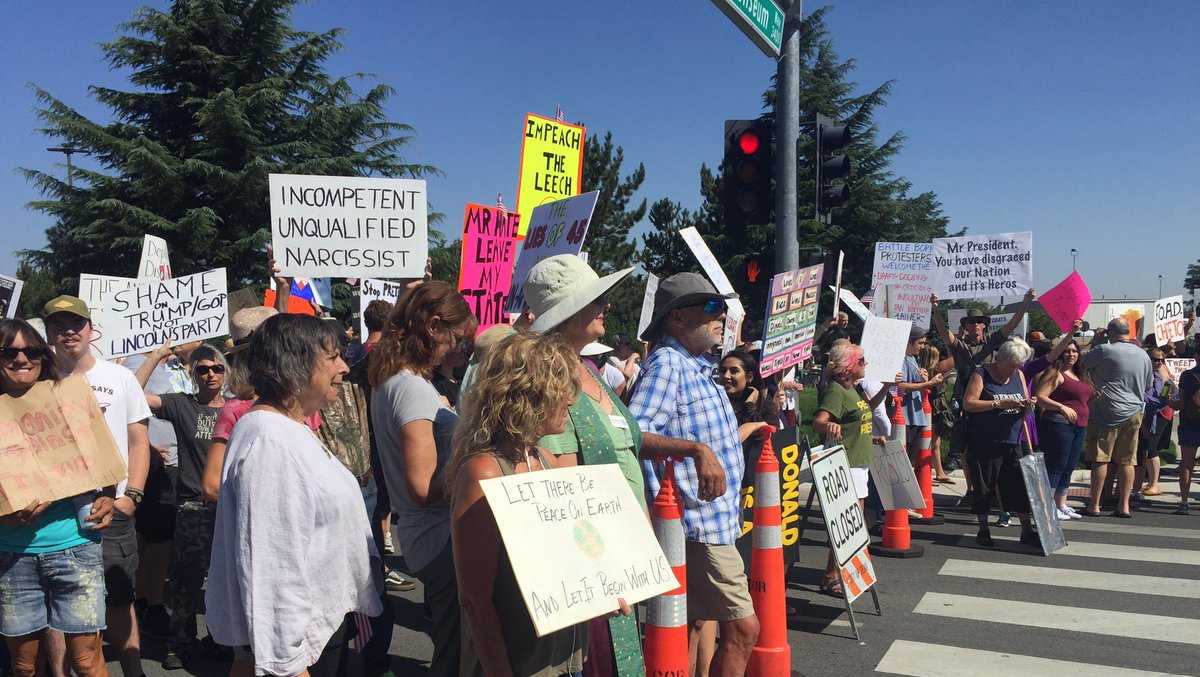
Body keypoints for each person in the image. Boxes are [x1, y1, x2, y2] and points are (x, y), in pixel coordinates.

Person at [206, 313, 380, 676]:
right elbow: (271, 566)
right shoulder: (269, 441)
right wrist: (287, 664)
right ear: (295, 365)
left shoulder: (288, 429)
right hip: (300, 653)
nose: (344, 367)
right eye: (332, 357)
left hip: (319, 633)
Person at [449, 332, 629, 676]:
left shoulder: (543, 458)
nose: (571, 402)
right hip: (518, 663)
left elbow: (562, 565)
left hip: (563, 658)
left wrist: (596, 598)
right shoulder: (484, 472)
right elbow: (475, 599)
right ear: (530, 396)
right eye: (561, 391)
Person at [520, 254, 644, 675]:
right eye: (596, 300)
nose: (605, 306)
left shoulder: (587, 367)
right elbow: (554, 481)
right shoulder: (548, 374)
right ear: (569, 312)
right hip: (590, 565)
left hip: (618, 555)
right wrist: (596, 572)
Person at [630, 272, 758, 676]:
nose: (720, 316)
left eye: (721, 308)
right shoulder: (668, 364)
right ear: (677, 318)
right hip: (695, 525)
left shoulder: (696, 364)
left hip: (708, 523)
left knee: (690, 622)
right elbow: (633, 432)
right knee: (743, 629)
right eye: (709, 308)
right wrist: (695, 450)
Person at [369, 281, 477, 677]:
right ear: (433, 327)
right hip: (437, 539)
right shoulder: (412, 389)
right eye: (457, 337)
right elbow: (421, 486)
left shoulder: (397, 381)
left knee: (454, 646)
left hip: (424, 538)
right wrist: (481, 471)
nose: (460, 348)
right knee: (457, 653)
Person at [0, 319, 116, 677]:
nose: (22, 359)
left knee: (87, 660)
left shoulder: (69, 396)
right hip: (12, 556)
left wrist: (108, 498)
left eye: (31, 350)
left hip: (75, 546)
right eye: (9, 351)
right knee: (24, 665)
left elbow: (101, 458)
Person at [43, 296, 151, 677]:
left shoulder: (120, 378)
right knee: (59, 603)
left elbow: (138, 439)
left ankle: (133, 670)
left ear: (91, 329)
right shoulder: (38, 380)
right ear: (48, 332)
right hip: (53, 513)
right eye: (59, 325)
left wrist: (131, 496)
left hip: (111, 509)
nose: (68, 331)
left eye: (76, 323)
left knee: (119, 599)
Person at [133, 344, 227, 669]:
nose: (210, 374)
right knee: (186, 581)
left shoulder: (239, 408)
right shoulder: (181, 405)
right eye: (202, 369)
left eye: (217, 368)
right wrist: (157, 356)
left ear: (226, 372)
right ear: (192, 373)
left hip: (231, 509)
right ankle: (179, 643)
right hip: (193, 508)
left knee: (225, 580)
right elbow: (132, 396)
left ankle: (221, 639)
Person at [122, 340, 200, 639]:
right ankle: (146, 600)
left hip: (184, 463)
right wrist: (144, 444)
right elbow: (132, 401)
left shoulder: (187, 367)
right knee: (155, 539)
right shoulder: (136, 361)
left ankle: (147, 597)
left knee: (163, 539)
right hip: (157, 463)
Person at [812, 341, 890, 592]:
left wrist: (886, 389)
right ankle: (832, 574)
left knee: (853, 524)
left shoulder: (853, 389)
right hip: (847, 465)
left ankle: (837, 572)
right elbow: (819, 421)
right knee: (848, 525)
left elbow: (864, 411)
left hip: (858, 464)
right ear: (847, 368)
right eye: (860, 361)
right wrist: (829, 426)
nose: (865, 364)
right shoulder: (837, 391)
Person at [961, 338, 1039, 547]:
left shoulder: (1018, 374)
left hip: (1014, 438)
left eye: (1018, 366)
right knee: (984, 485)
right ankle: (983, 528)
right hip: (986, 439)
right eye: (1012, 365)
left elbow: (1024, 401)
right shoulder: (981, 374)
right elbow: (969, 404)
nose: (1014, 370)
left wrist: (1027, 404)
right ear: (1001, 359)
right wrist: (998, 404)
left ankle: (1026, 528)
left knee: (1019, 485)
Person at [1080, 318, 1153, 518]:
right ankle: (1124, 505)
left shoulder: (1105, 350)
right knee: (1127, 461)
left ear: (1110, 332)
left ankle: (1094, 505)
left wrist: (1096, 340)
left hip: (1106, 410)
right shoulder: (1143, 355)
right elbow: (1148, 385)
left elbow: (1081, 362)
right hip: (1134, 411)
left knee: (1100, 458)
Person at [1034, 337, 1093, 521]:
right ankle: (1049, 506)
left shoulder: (1081, 374)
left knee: (1069, 466)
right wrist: (1061, 407)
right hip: (1059, 424)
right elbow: (1040, 396)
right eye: (1067, 351)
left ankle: (1061, 504)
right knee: (1056, 466)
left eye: (1075, 351)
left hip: (1079, 425)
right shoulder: (1055, 373)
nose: (1071, 354)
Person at [894, 327, 945, 461]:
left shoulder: (912, 358)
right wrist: (926, 384)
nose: (922, 347)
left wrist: (924, 380)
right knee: (905, 458)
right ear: (908, 342)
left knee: (914, 457)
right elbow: (900, 385)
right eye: (920, 343)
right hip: (904, 416)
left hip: (915, 415)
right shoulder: (901, 359)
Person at [1134, 349, 1176, 502]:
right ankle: (1146, 484)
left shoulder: (1161, 377)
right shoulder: (1146, 374)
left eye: (1161, 360)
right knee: (1144, 450)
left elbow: (1161, 400)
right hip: (1147, 415)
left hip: (1157, 416)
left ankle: (1153, 484)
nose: (1158, 363)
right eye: (1155, 359)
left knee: (1149, 449)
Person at [1172, 360, 1200, 514]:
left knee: (1187, 464)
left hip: (1189, 422)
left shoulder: (1187, 376)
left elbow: (1181, 403)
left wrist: (1169, 402)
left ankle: (1184, 502)